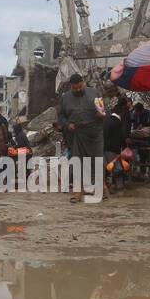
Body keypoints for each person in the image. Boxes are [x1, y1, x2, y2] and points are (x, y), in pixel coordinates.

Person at [56, 73, 105, 203]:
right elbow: (60, 116)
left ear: (83, 83)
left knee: (97, 162)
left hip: (94, 134)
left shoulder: (95, 93)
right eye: (75, 88)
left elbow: (104, 111)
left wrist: (101, 115)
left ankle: (101, 190)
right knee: (77, 163)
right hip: (77, 134)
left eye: (79, 87)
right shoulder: (65, 98)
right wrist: (67, 124)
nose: (78, 90)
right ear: (71, 87)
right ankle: (77, 193)